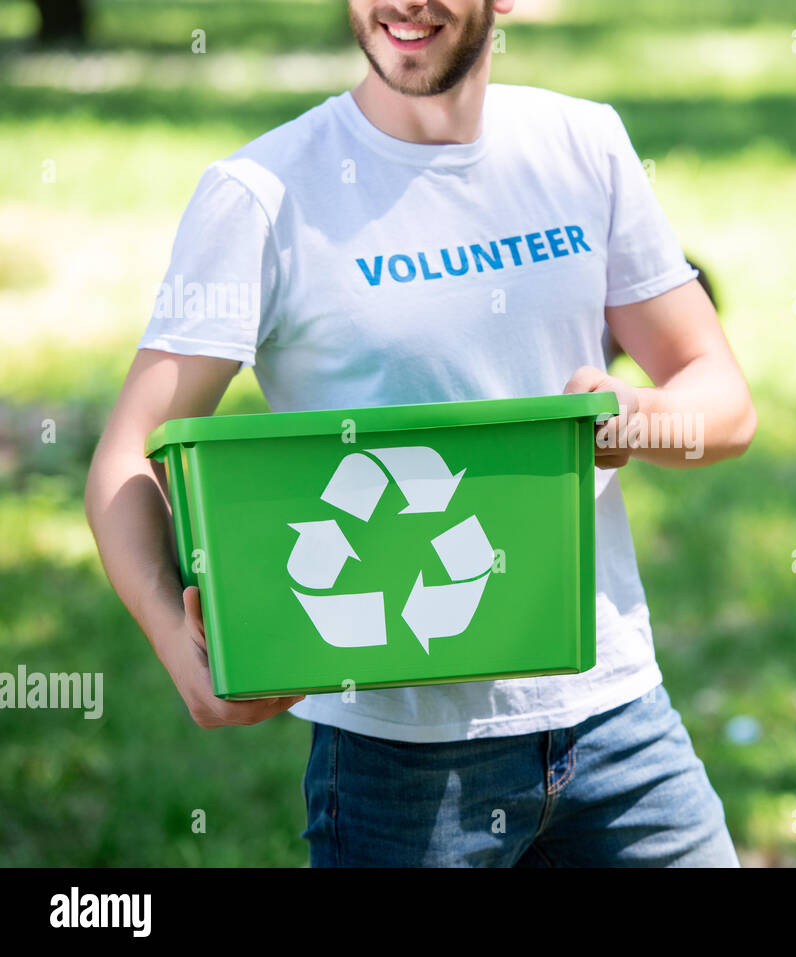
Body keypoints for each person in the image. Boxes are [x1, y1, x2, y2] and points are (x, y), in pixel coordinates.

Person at [83, 0, 756, 866]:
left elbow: (724, 399)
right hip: (398, 762)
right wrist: (173, 638)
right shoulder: (263, 194)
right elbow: (128, 454)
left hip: (618, 723)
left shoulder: (583, 148)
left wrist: (640, 418)